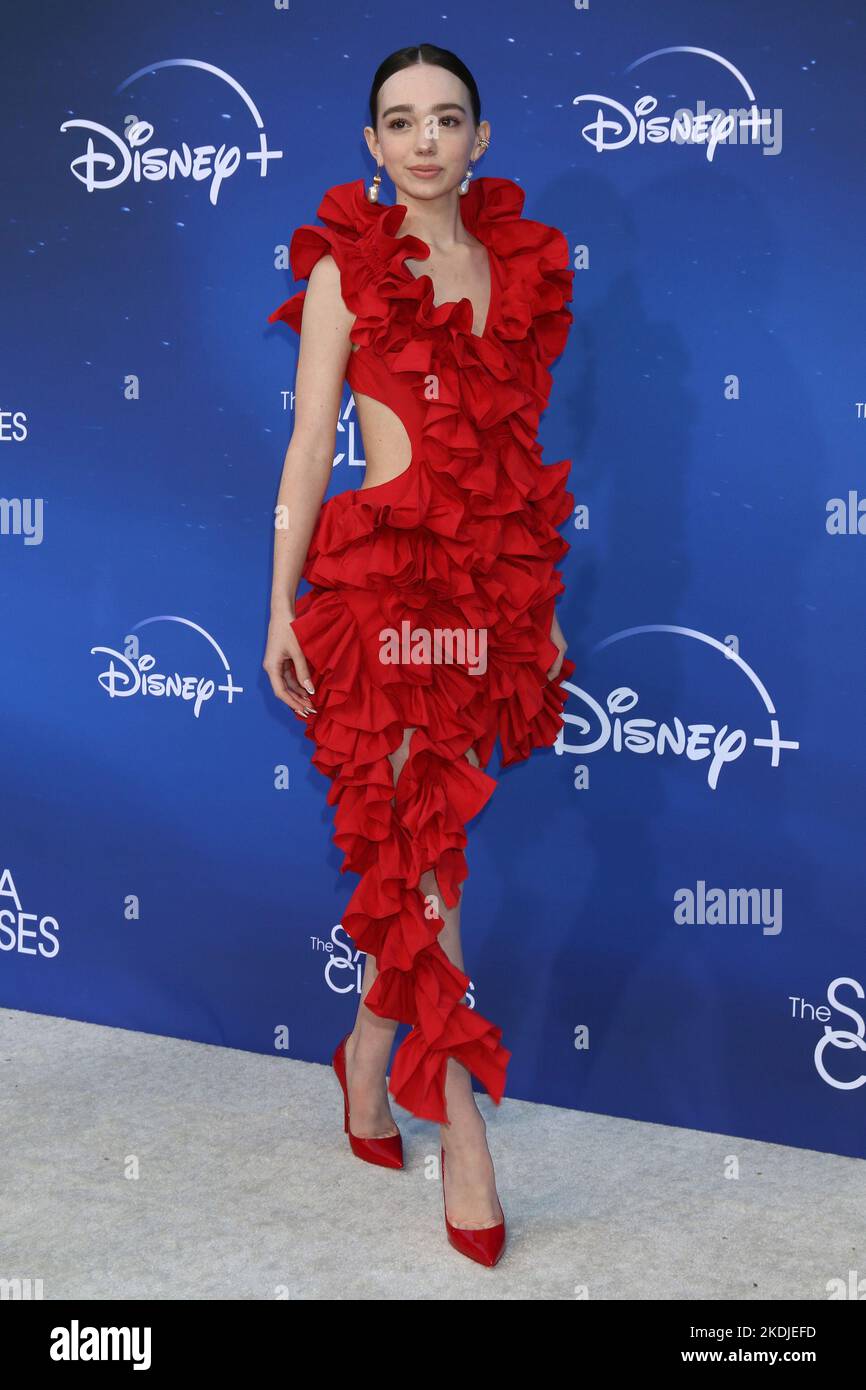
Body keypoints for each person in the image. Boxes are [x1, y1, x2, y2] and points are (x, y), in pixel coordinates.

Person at [264, 42, 575, 1267]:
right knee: (420, 847)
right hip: (380, 584)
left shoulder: (521, 266)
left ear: (480, 138)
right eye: (400, 121)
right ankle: (460, 1125)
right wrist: (279, 603)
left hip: (484, 593)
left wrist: (536, 607)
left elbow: (516, 460)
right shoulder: (347, 268)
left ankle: (365, 1059)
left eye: (448, 118)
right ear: (372, 145)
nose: (425, 140)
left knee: (424, 847)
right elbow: (304, 448)